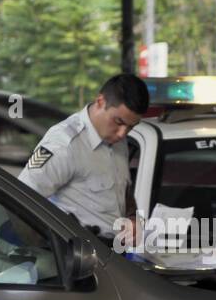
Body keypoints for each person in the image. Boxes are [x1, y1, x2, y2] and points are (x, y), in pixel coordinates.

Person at [18, 74, 149, 240]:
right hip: (76, 256)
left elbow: (122, 188)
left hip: (114, 255)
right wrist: (51, 251)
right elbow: (22, 200)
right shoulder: (64, 143)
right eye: (118, 122)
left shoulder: (118, 141)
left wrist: (131, 217)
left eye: (131, 127)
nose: (123, 133)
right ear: (101, 102)